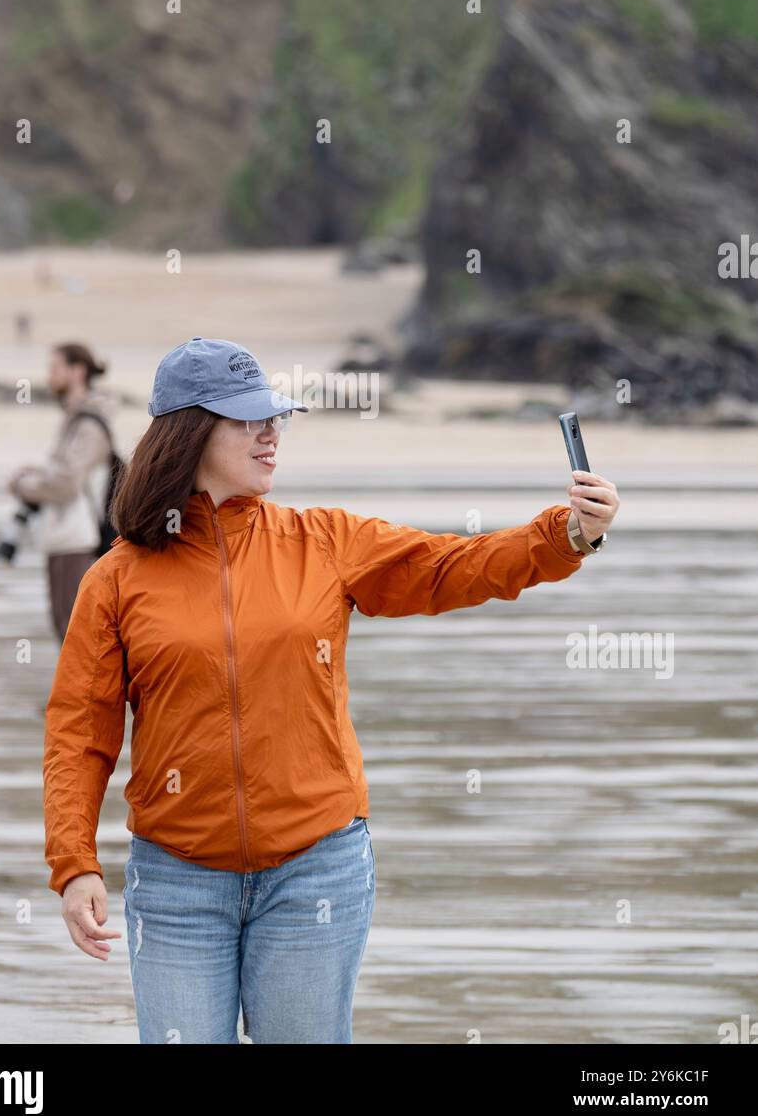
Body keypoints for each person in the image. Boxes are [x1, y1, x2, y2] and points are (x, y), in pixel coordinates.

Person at [42, 336, 620, 1044]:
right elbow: (79, 734)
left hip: (316, 870)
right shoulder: (117, 579)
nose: (270, 433)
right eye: (247, 419)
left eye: (274, 417)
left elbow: (451, 566)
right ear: (190, 432)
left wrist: (565, 534)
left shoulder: (323, 541)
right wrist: (74, 864)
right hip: (177, 886)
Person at [7, 342, 118, 642]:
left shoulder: (89, 424)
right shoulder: (77, 419)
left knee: (77, 641)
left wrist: (22, 486)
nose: (49, 376)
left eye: (55, 368)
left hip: (78, 544)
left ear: (78, 371)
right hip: (66, 541)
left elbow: (66, 483)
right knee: (70, 638)